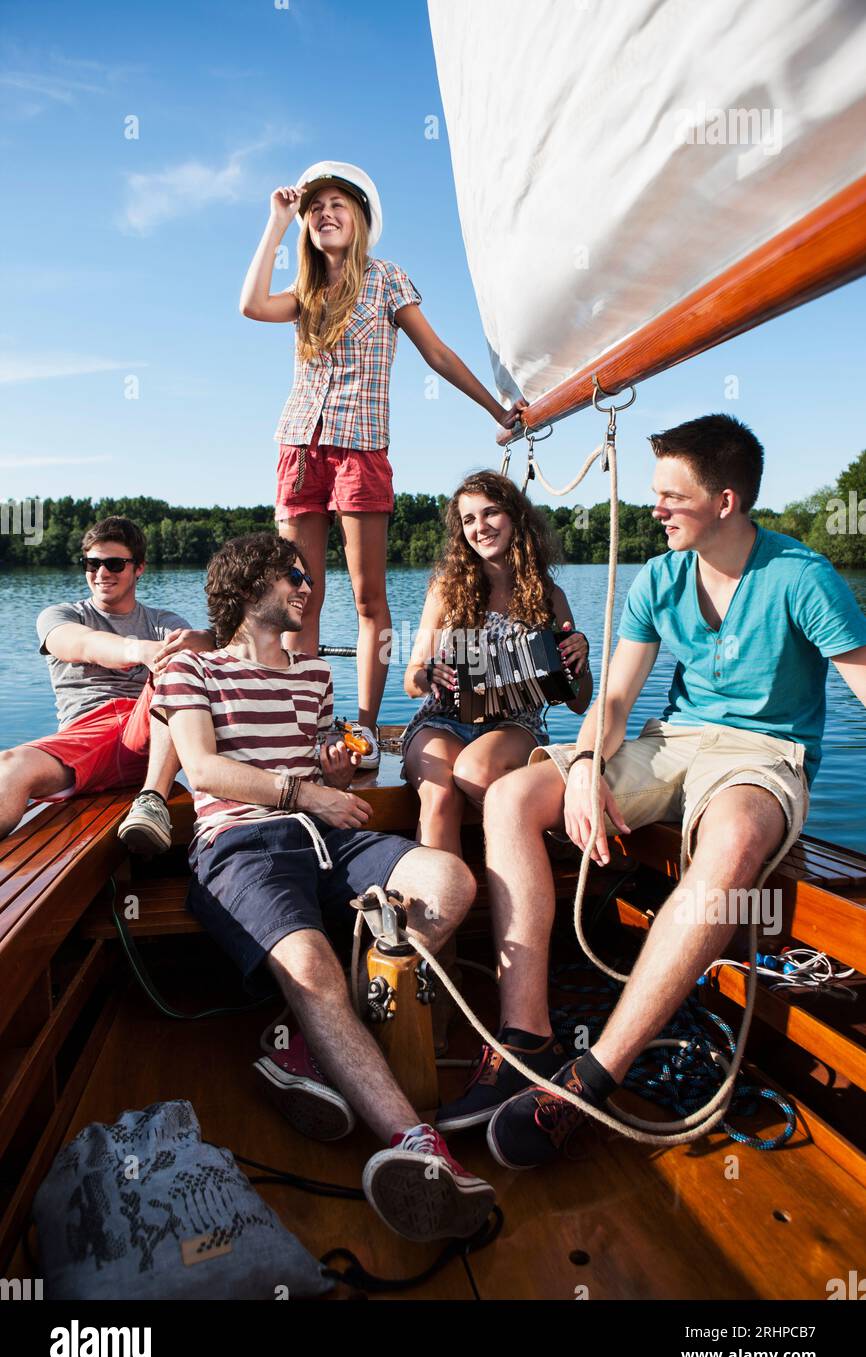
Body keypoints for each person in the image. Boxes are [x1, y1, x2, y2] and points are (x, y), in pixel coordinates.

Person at [436, 413, 866, 1154]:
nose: (654, 507)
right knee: (510, 796)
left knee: (730, 843)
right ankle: (525, 1040)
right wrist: (582, 770)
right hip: (671, 742)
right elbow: (611, 704)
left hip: (762, 755)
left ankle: (593, 1078)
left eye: (671, 495)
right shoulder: (660, 579)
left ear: (725, 502)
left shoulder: (803, 578)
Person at [151, 531, 496, 1242]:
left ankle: (312, 1039)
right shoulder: (194, 672)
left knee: (450, 880)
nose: (308, 587)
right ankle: (416, 1144)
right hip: (240, 845)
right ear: (248, 592)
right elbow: (205, 771)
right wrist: (308, 792)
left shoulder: (314, 677)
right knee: (309, 969)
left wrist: (336, 769)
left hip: (328, 841)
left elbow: (323, 769)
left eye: (309, 577)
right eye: (291, 577)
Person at [239, 161, 526, 769]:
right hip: (299, 448)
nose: (326, 214)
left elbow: (439, 353)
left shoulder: (388, 280)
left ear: (362, 220)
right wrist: (275, 223)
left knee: (370, 599)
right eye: (315, 208)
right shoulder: (307, 292)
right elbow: (250, 305)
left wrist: (497, 410)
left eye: (339, 204)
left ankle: (363, 729)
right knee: (299, 596)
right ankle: (308, 726)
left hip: (362, 450)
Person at [402, 471, 593, 853]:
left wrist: (579, 661)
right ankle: (440, 902)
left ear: (516, 519)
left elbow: (580, 702)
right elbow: (411, 682)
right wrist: (427, 673)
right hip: (442, 719)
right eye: (469, 519)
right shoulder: (445, 590)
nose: (481, 527)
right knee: (439, 795)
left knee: (474, 770)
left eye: (491, 513)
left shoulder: (548, 596)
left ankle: (555, 837)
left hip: (514, 724)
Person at [0, 517, 212, 847]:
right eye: (92, 563)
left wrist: (207, 639)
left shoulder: (160, 621)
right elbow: (83, 644)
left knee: (179, 664)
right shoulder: (60, 616)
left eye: (114, 564)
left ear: (138, 568)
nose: (102, 574)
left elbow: (201, 652)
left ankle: (152, 799)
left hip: (147, 731)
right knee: (9, 767)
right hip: (85, 738)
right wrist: (140, 650)